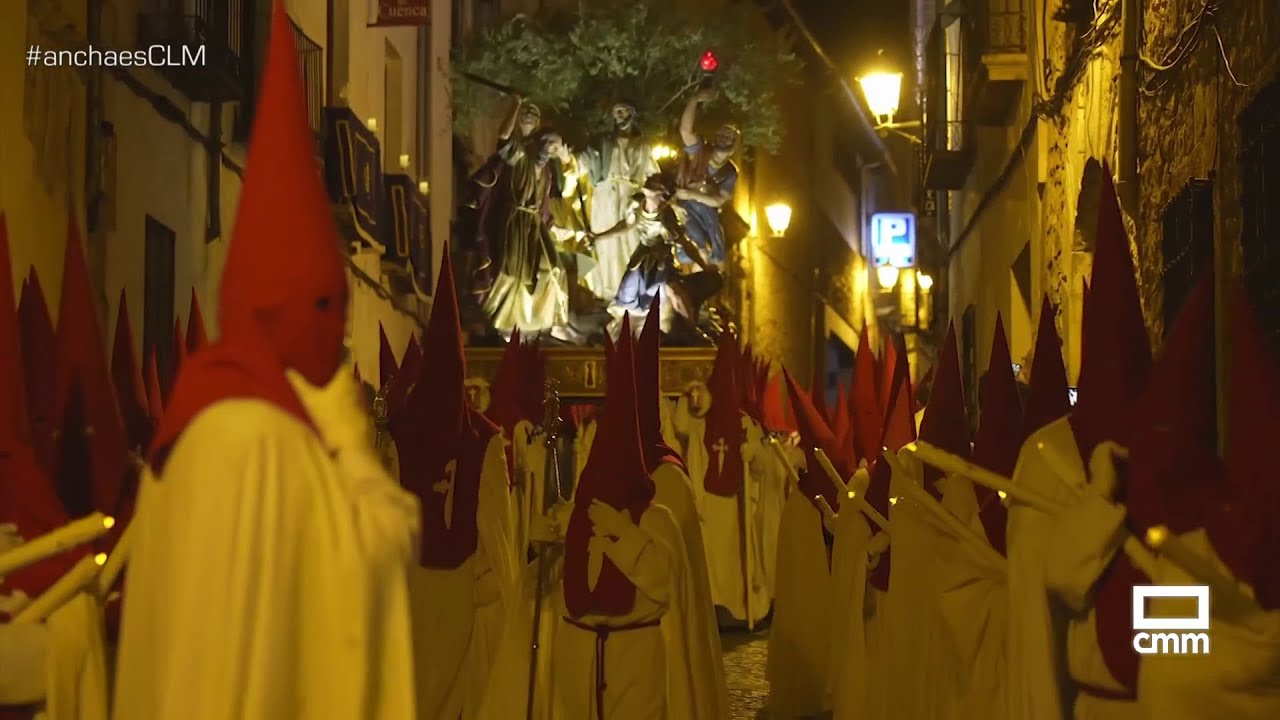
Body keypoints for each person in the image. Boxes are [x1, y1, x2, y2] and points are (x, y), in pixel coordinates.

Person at [112, 5, 421, 718]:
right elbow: (369, 577)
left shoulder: (191, 428)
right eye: (325, 313)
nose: (336, 341)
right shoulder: (273, 444)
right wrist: (345, 438)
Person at [395, 249, 517, 720]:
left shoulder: (407, 431)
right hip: (438, 582)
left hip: (428, 582)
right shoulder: (479, 439)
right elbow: (497, 520)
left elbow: (492, 517)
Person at [589, 173, 716, 337]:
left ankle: (690, 329)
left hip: (661, 261)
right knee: (628, 304)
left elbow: (684, 243)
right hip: (640, 260)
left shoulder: (666, 215)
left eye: (654, 183)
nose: (649, 183)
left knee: (675, 294)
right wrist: (598, 236)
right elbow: (625, 225)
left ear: (662, 193)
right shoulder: (637, 204)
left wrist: (704, 265)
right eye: (649, 181)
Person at [481, 129, 571, 336]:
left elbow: (544, 206)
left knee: (554, 269)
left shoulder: (547, 173)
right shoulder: (521, 158)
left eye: (555, 146)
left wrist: (554, 228)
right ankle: (500, 316)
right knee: (511, 270)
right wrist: (516, 104)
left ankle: (539, 319)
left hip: (535, 225)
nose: (549, 149)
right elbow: (503, 144)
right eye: (547, 142)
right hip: (514, 222)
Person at [578, 101, 660, 300]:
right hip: (605, 196)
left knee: (628, 242)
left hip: (630, 197)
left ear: (632, 113)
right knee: (604, 244)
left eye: (622, 111)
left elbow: (653, 173)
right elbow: (583, 162)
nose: (619, 116)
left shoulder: (644, 145)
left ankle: (627, 291)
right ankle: (602, 292)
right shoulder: (604, 142)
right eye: (615, 113)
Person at [676, 89, 740, 267]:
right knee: (696, 247)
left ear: (734, 142)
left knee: (713, 255)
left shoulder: (729, 171)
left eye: (729, 136)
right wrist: (694, 100)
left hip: (708, 214)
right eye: (721, 134)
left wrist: (694, 195)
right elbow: (685, 131)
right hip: (686, 209)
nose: (724, 138)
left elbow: (719, 199)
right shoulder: (700, 152)